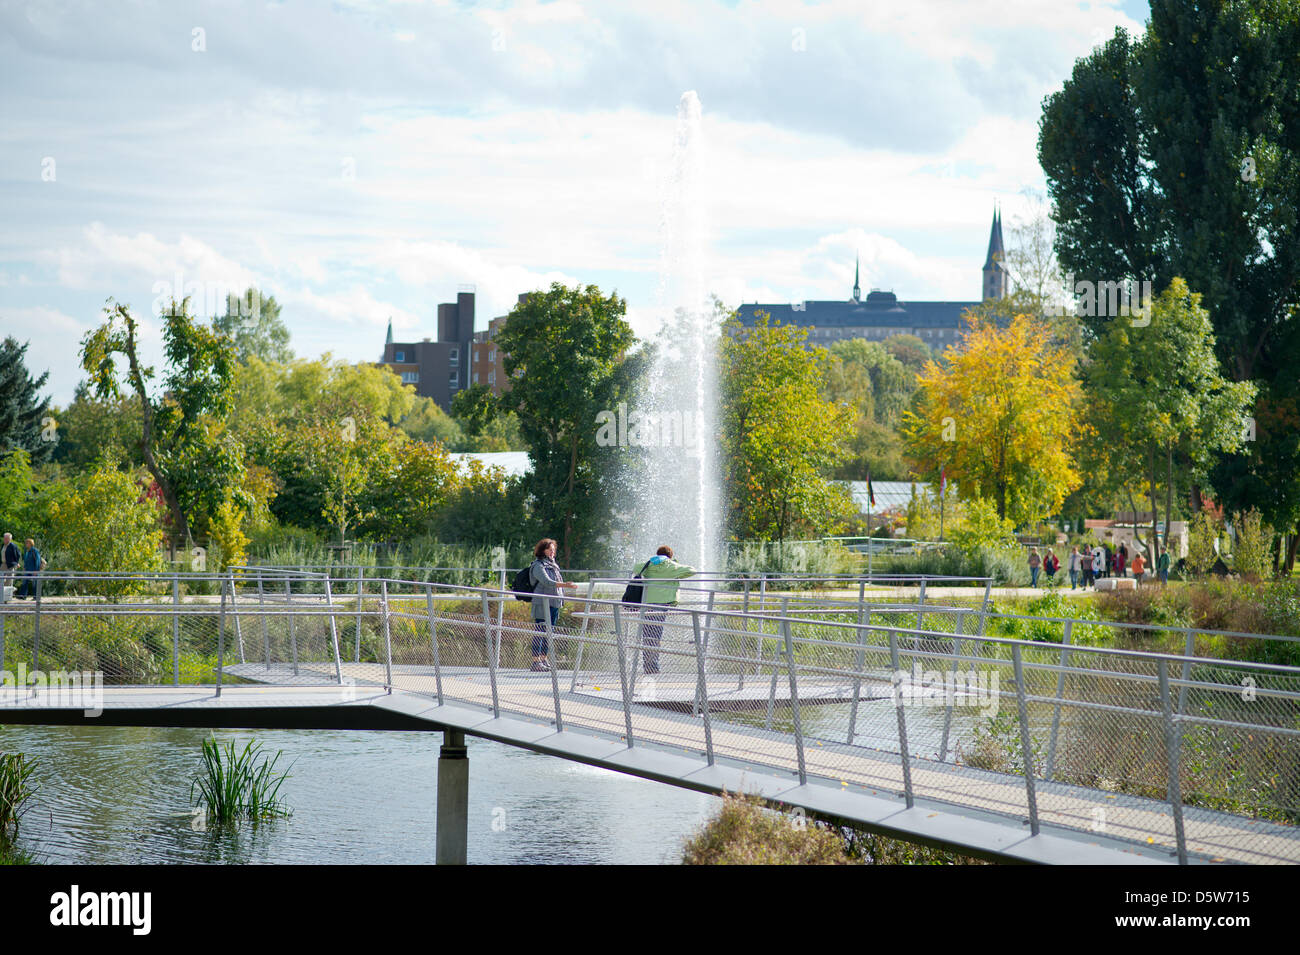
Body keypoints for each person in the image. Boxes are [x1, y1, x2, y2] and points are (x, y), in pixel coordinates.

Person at [635, 545, 696, 675]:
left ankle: (648, 664)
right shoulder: (671, 566)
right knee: (655, 634)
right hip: (661, 603)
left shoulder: (649, 563)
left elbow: (635, 568)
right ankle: (652, 666)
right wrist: (675, 567)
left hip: (646, 603)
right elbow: (692, 570)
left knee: (648, 634)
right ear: (670, 556)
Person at [528, 538, 577, 672]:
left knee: (549, 632)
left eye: (554, 550)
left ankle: (543, 659)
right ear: (543, 550)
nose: (552, 552)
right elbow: (546, 581)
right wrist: (565, 585)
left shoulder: (553, 564)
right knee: (540, 631)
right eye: (550, 549)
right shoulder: (538, 565)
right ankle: (535, 662)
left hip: (554, 602)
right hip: (542, 603)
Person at [1, 533, 19, 602]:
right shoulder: (3, 545)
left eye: (6, 538)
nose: (5, 539)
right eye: (4, 538)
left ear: (10, 539)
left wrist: (15, 563)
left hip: (10, 565)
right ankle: (2, 596)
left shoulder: (13, 546)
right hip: (3, 564)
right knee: (1, 580)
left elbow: (17, 554)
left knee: (9, 581)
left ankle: (7, 598)